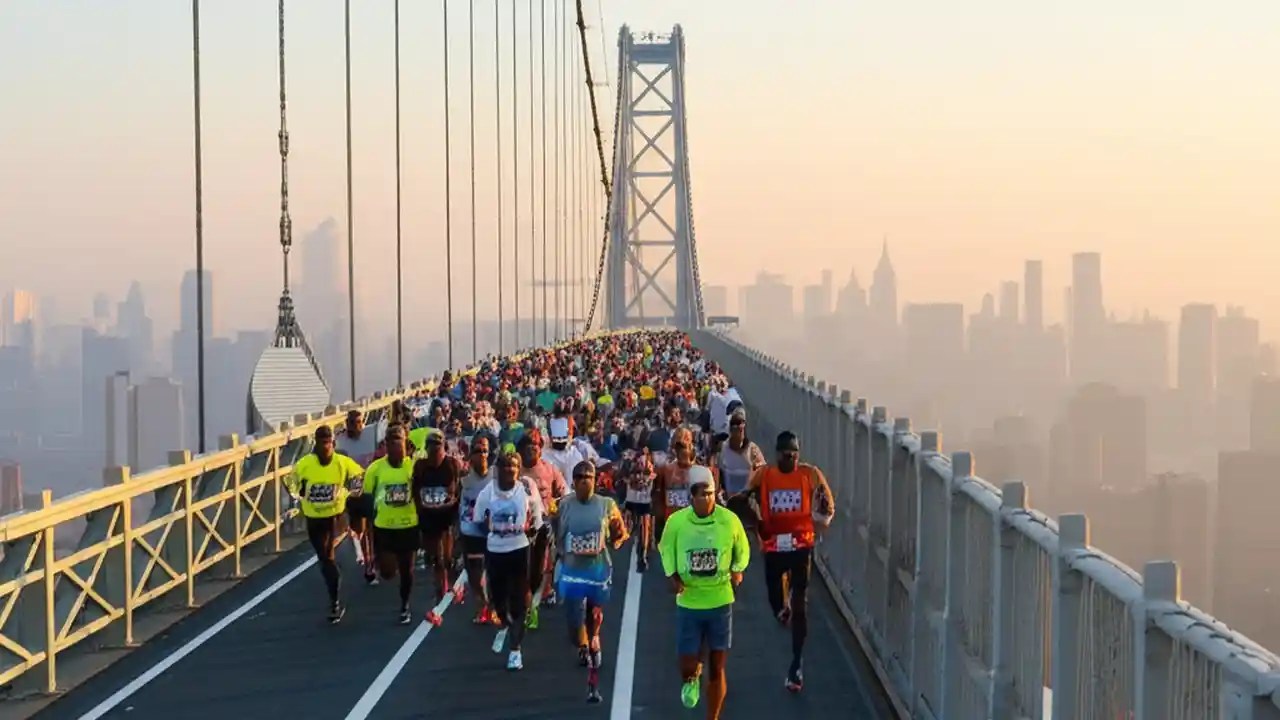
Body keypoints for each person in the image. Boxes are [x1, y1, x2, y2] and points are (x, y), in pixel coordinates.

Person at [741, 430, 836, 692]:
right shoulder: (765, 475)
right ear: (777, 455)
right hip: (773, 546)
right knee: (775, 599)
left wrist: (822, 517)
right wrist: (755, 523)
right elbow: (744, 499)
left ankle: (796, 666)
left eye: (795, 456)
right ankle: (780, 610)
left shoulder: (810, 474)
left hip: (801, 546)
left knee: (800, 604)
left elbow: (828, 504)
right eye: (786, 456)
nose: (791, 460)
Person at [659, 465, 749, 719]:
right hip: (689, 601)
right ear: (691, 496)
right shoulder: (677, 522)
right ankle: (693, 674)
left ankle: (713, 717)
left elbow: (742, 548)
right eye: (701, 494)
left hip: (720, 600)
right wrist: (672, 575)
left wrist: (737, 569)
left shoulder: (729, 520)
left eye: (710, 493)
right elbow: (666, 549)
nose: (706, 498)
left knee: (718, 667)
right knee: (687, 666)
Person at [555, 460, 629, 703]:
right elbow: (553, 529)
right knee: (575, 623)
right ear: (574, 482)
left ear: (595, 480)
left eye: (589, 476)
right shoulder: (565, 505)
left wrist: (618, 533)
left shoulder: (606, 504)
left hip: (597, 568)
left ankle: (594, 639)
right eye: (580, 477)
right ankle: (582, 643)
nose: (585, 481)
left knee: (594, 613)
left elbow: (620, 533)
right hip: (572, 568)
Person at [473, 450, 545, 670]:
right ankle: (503, 623)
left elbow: (538, 519)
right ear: (497, 470)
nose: (510, 471)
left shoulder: (526, 490)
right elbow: (478, 520)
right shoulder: (487, 493)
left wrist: (533, 528)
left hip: (520, 550)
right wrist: (490, 529)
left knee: (520, 601)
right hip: (496, 551)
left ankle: (515, 650)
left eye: (514, 466)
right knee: (498, 601)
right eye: (505, 467)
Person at [294, 424, 365, 624]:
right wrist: (299, 493)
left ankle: (334, 602)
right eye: (322, 442)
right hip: (314, 517)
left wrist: (350, 491)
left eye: (328, 442)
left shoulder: (342, 462)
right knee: (324, 558)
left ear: (333, 443)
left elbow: (360, 475)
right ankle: (333, 579)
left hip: (336, 516)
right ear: (316, 444)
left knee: (328, 554)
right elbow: (290, 482)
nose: (326, 446)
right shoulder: (305, 464)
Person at [364, 423, 421, 625]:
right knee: (388, 573)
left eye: (401, 443)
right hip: (385, 528)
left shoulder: (413, 467)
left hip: (408, 526)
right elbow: (367, 500)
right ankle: (388, 566)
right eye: (394, 444)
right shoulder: (375, 470)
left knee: (408, 570)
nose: (398, 448)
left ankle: (405, 605)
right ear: (386, 445)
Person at [412, 432, 463, 624]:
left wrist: (449, 503)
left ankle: (446, 583)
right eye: (431, 449)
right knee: (435, 557)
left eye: (438, 449)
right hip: (427, 516)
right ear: (426, 450)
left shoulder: (451, 465)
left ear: (443, 449)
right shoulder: (420, 467)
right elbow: (415, 491)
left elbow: (456, 491)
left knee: (446, 557)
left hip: (446, 516)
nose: (435, 454)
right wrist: (422, 508)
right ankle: (440, 586)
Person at [335, 410, 378, 585]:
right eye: (353, 423)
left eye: (359, 422)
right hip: (352, 492)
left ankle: (370, 566)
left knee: (370, 529)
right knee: (357, 529)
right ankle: (360, 552)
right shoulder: (340, 442)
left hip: (368, 490)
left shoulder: (370, 436)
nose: (357, 426)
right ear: (347, 424)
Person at [459, 434, 498, 625]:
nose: (482, 455)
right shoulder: (464, 479)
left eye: (485, 451)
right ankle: (481, 603)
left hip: (494, 532)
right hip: (470, 532)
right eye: (478, 451)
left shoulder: (498, 476)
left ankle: (491, 605)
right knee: (474, 575)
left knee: (493, 573)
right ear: (471, 455)